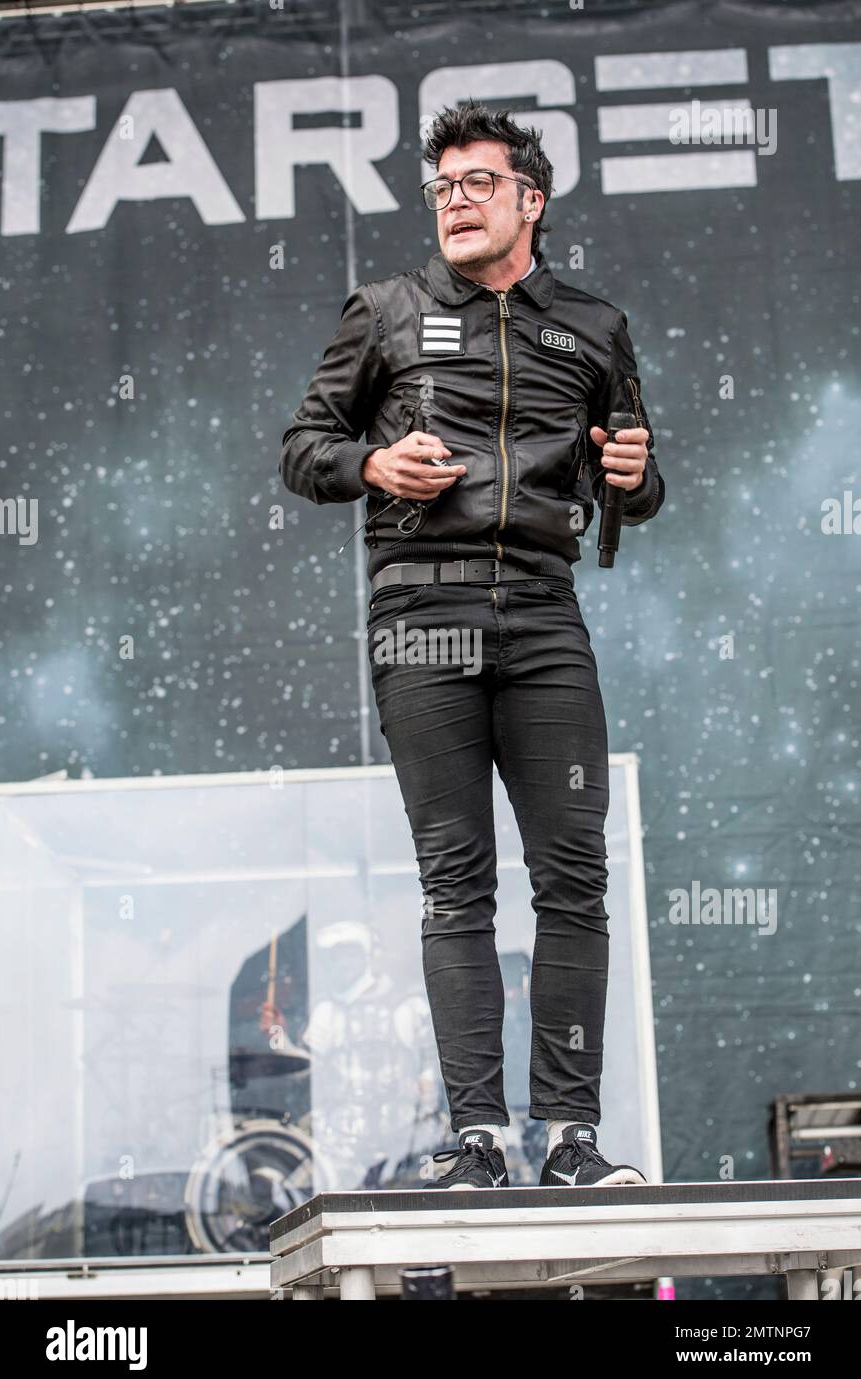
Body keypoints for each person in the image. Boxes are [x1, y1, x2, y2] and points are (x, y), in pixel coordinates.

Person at [279, 99, 665, 1190]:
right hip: (421, 614)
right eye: (442, 186)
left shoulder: (592, 325)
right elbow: (302, 446)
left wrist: (634, 482)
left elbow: (633, 476)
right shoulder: (385, 310)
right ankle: (478, 1139)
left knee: (574, 880)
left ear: (529, 202)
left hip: (544, 616)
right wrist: (370, 466)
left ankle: (572, 1140)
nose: (455, 201)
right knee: (455, 885)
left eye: (477, 183)